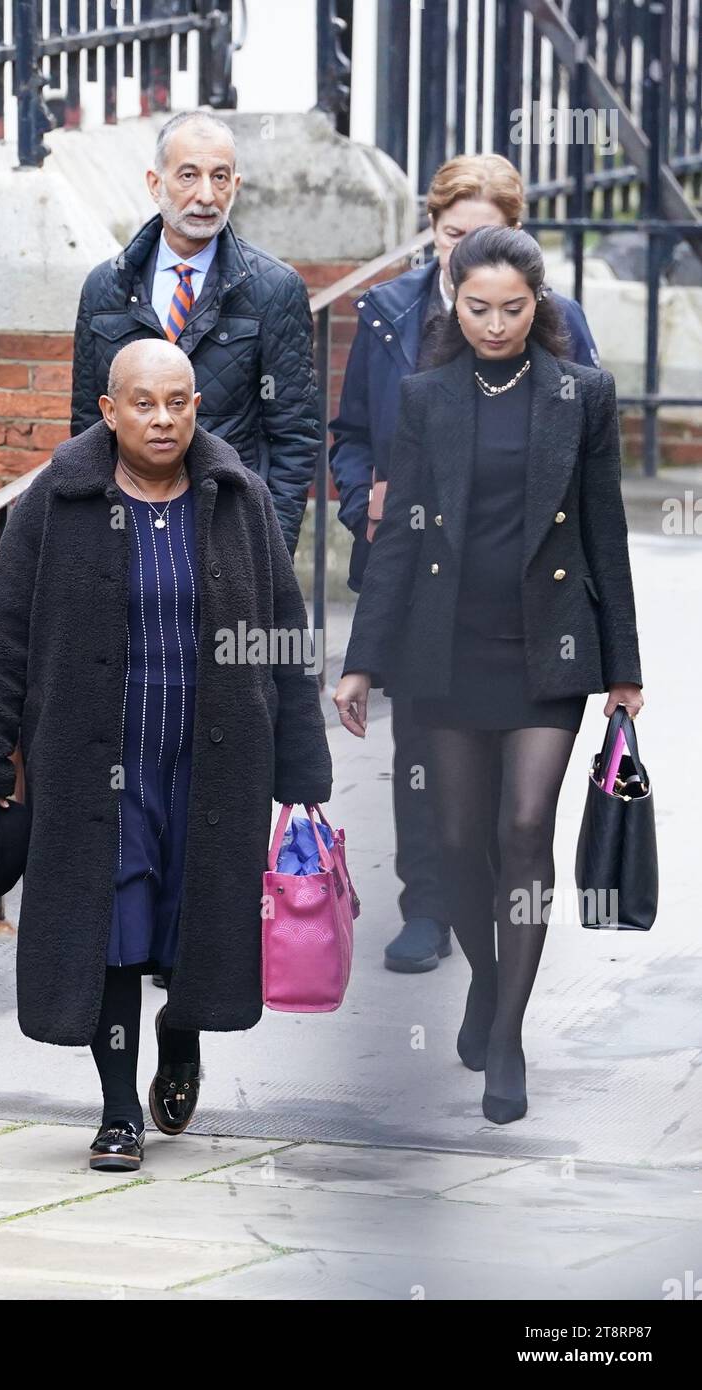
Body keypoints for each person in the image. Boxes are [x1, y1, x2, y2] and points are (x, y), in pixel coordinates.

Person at [0, 338, 331, 1171]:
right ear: (109, 410)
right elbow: (4, 641)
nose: (163, 419)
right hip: (96, 770)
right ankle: (119, 1111)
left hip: (211, 768)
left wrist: (301, 768)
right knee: (112, 930)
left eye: (179, 402)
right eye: (144, 403)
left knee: (196, 922)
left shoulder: (237, 498)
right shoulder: (57, 502)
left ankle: (181, 1036)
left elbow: (280, 634)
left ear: (198, 407)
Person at [333, 226, 644, 1125]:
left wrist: (622, 667)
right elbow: (398, 541)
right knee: (460, 843)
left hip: (547, 650)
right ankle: (486, 978)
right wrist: (362, 663)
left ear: (537, 305)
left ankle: (505, 1032)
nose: (496, 324)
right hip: (447, 650)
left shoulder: (580, 395)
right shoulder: (427, 397)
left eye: (513, 308)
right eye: (478, 308)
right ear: (453, 299)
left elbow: (604, 534)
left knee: (522, 829)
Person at [329, 154, 600, 976]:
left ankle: (493, 930)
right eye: (452, 237)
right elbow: (348, 437)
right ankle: (428, 907)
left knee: (510, 800)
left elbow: (582, 447)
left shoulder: (552, 317)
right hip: (414, 573)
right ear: (431, 231)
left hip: (517, 590)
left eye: (483, 237)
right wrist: (359, 506)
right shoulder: (385, 314)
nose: (464, 255)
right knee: (425, 765)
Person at [70, 109, 320, 558]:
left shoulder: (274, 290)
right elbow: (87, 424)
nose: (206, 195)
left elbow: (295, 437)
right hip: (126, 528)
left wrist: (270, 554)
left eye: (220, 177)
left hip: (228, 529)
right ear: (155, 183)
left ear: (236, 186)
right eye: (189, 175)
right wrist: (91, 541)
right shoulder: (106, 287)